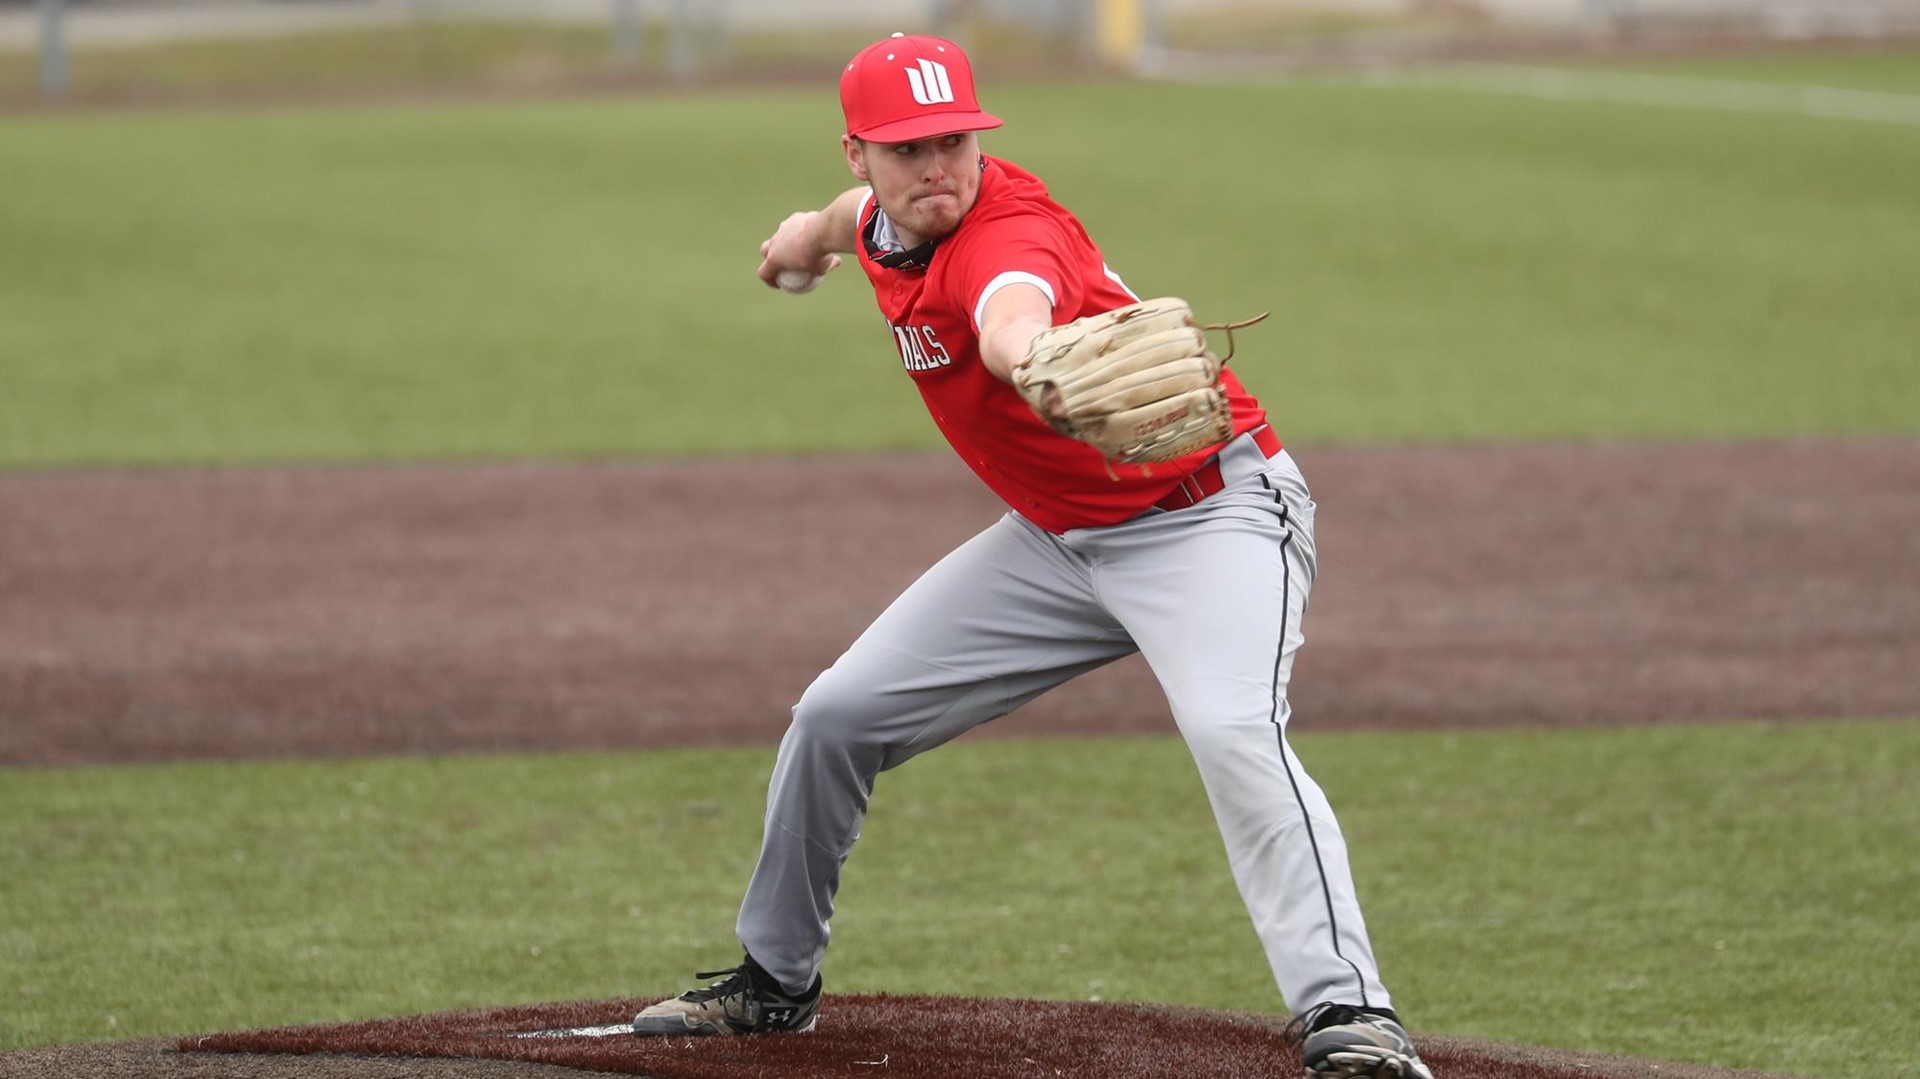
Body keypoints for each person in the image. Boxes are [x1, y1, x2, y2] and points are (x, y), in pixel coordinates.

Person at [633, 32, 1433, 1079]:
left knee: (1233, 729)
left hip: (1209, 519)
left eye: (954, 140)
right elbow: (842, 227)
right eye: (907, 147)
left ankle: (1352, 1014)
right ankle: (775, 981)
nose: (937, 167)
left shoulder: (1010, 234)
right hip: (1059, 543)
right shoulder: (881, 221)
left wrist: (1030, 354)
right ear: (857, 155)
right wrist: (801, 245)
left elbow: (1011, 312)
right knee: (837, 714)